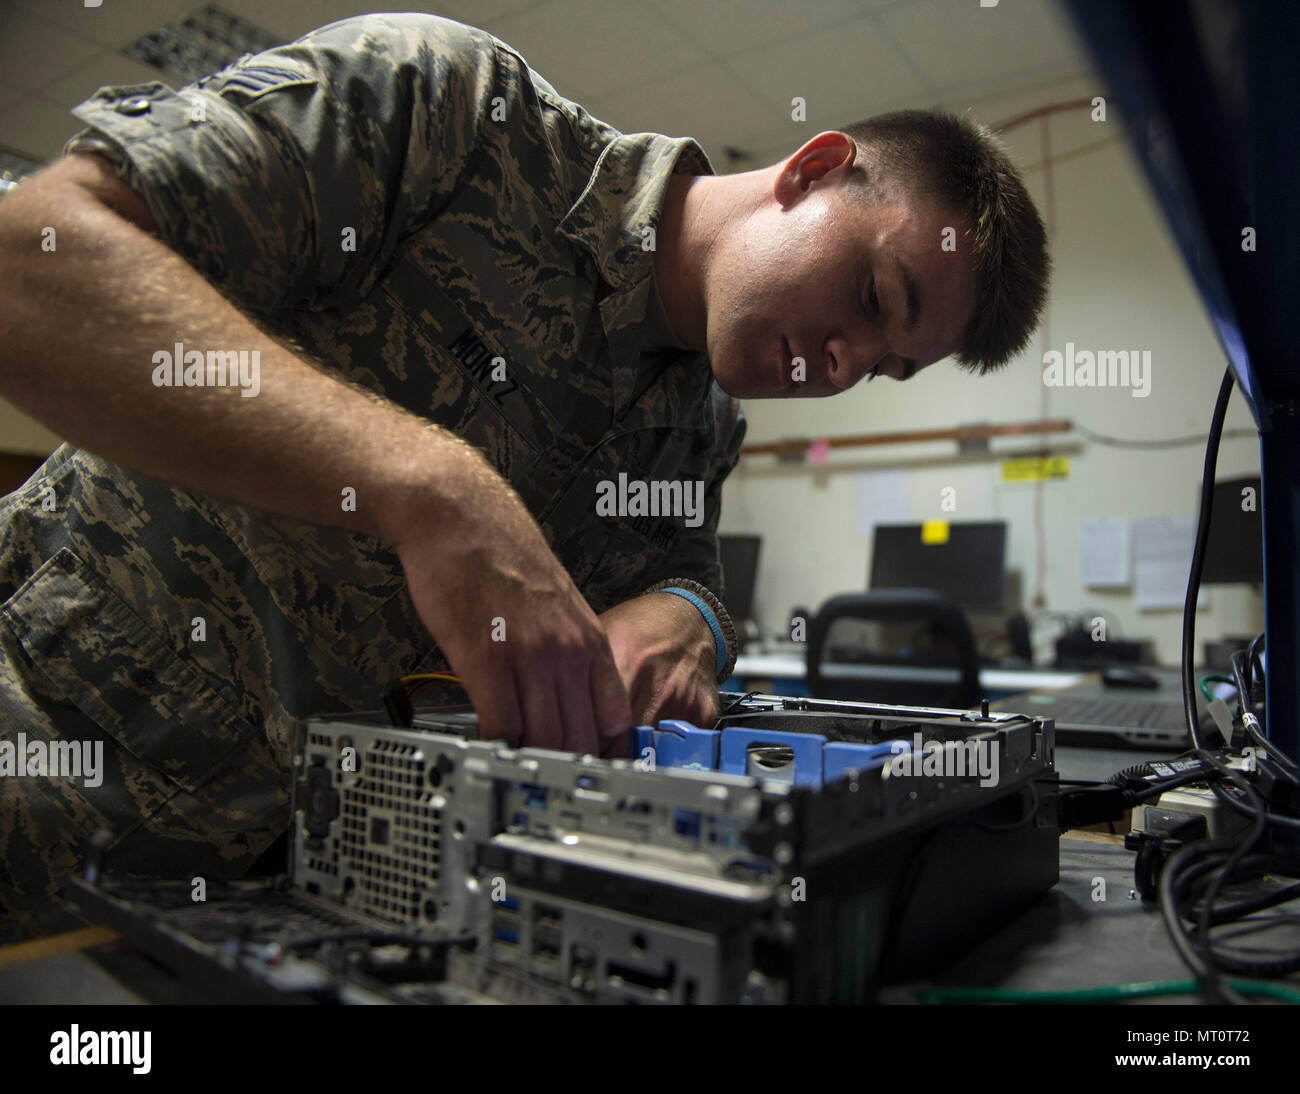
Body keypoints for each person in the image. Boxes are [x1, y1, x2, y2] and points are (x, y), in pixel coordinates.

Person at [0, 13, 1049, 942]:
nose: (842, 366)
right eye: (872, 296)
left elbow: (686, 573)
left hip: (254, 901)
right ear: (815, 167)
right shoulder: (450, 111)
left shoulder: (700, 421)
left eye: (884, 367)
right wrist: (427, 488)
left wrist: (693, 616)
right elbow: (30, 266)